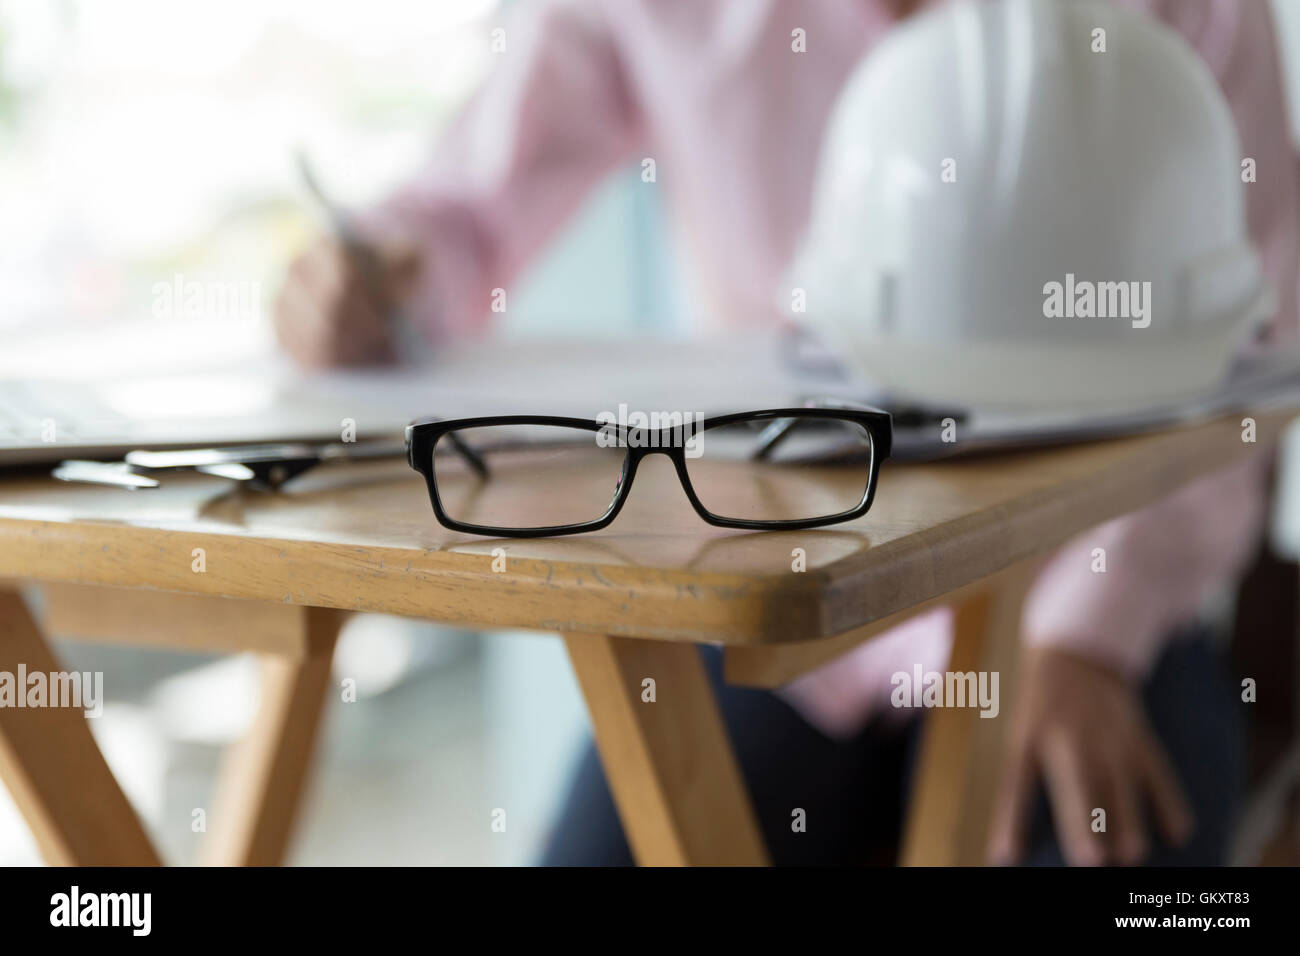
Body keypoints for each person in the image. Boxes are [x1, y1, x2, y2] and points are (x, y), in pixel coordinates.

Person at [274, 0, 1299, 865]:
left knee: (1125, 839)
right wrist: (374, 284)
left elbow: (1260, 341)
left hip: (1086, 609)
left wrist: (1089, 634)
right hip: (776, 596)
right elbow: (463, 212)